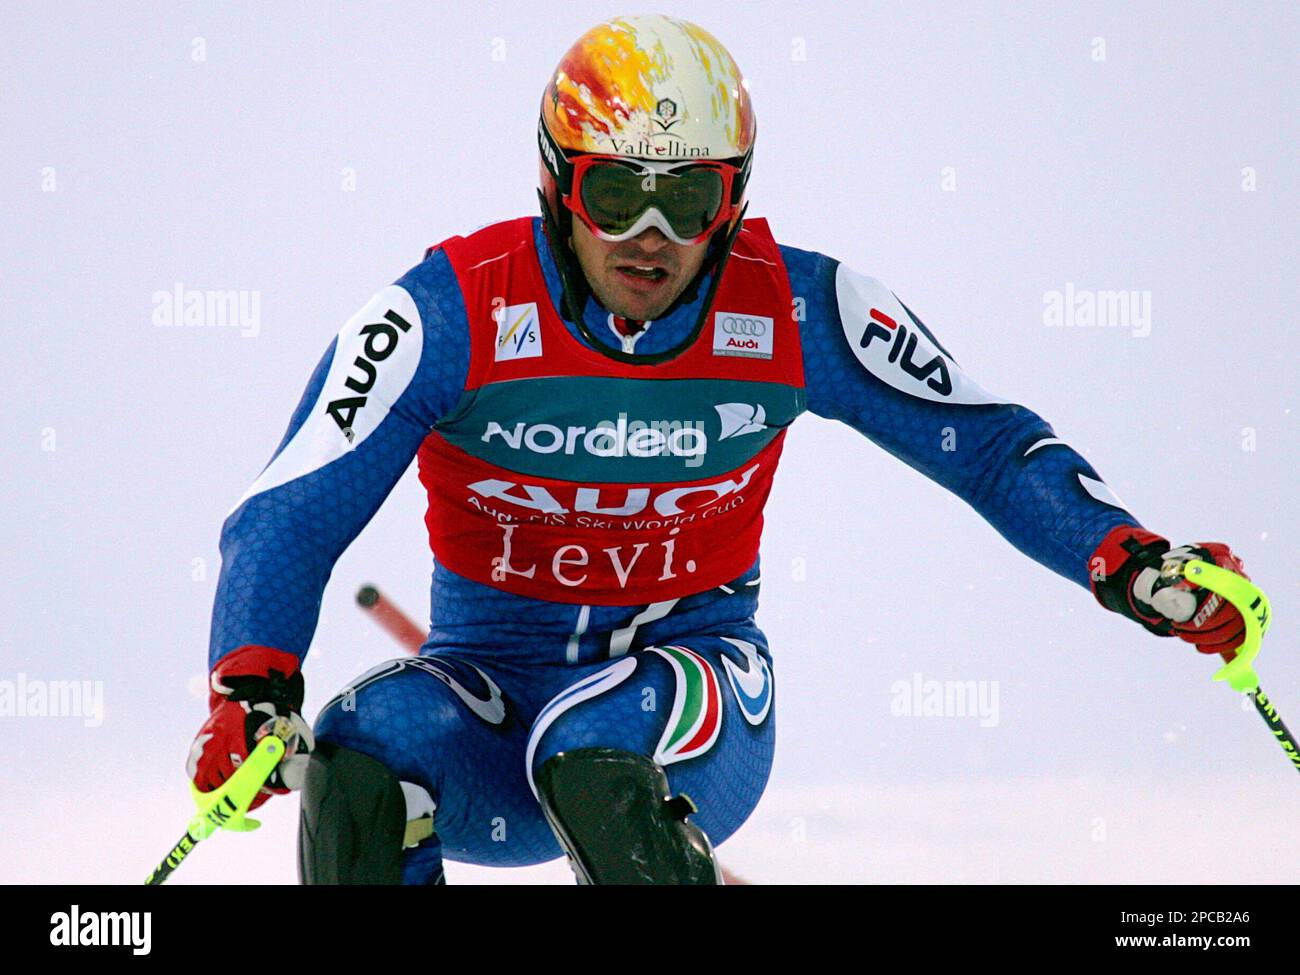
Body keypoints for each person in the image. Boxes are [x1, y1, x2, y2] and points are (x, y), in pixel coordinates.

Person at [186, 14, 1250, 884]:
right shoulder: (449, 312)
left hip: (690, 694)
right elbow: (294, 507)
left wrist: (1130, 560)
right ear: (558, 185)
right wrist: (249, 680)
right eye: (616, 193)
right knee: (360, 755)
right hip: (489, 706)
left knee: (587, 753)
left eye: (687, 197)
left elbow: (987, 447)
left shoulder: (799, 306)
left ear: (731, 200)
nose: (649, 234)